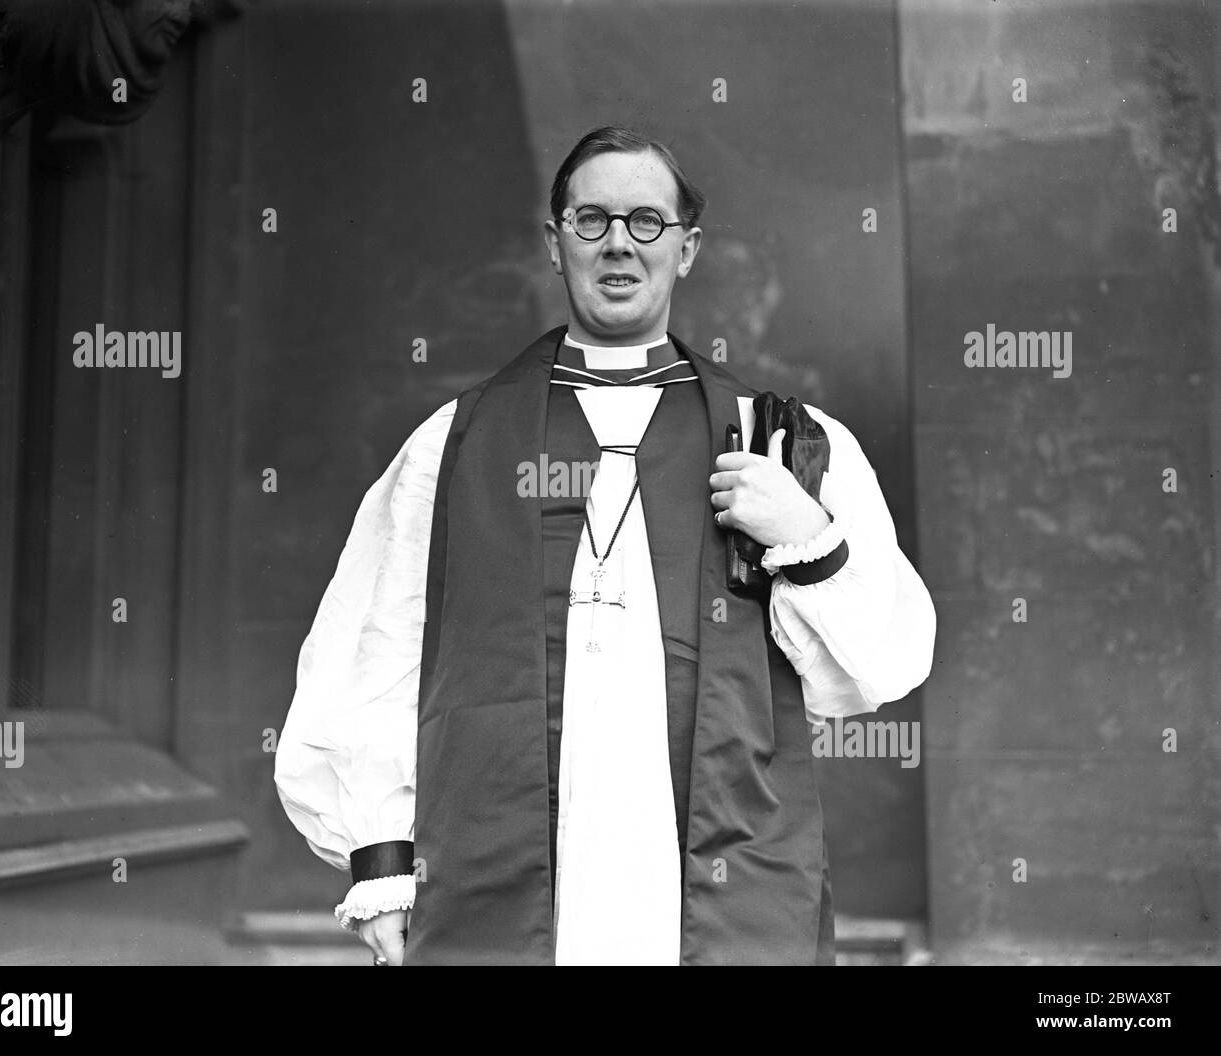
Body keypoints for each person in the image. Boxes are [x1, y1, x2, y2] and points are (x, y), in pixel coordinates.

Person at [274, 125, 935, 966]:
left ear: (687, 248)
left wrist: (805, 538)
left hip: (715, 885)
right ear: (555, 244)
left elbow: (881, 667)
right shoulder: (457, 444)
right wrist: (379, 864)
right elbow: (378, 651)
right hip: (505, 882)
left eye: (647, 222)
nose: (619, 241)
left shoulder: (781, 443)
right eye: (591, 220)